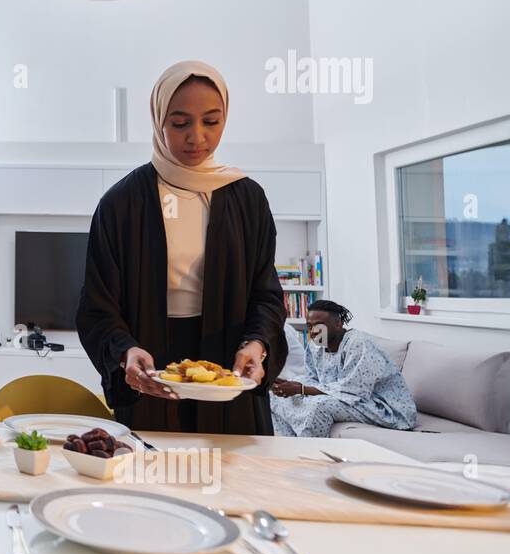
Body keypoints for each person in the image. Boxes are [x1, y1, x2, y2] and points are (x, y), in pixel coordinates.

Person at [77, 60, 287, 436]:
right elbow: (97, 307)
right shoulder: (122, 203)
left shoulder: (247, 199)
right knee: (154, 468)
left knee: (233, 470)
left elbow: (266, 295)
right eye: (180, 123)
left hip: (229, 368)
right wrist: (126, 352)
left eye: (211, 121)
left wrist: (257, 345)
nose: (197, 137)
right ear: (159, 119)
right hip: (152, 368)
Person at [270, 300, 416, 438]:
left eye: (319, 325)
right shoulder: (315, 345)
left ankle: (311, 451)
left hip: (382, 406)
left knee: (318, 406)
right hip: (346, 397)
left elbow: (353, 391)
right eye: (309, 326)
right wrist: (289, 384)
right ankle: (291, 444)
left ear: (338, 324)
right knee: (276, 397)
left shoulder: (358, 344)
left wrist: (302, 389)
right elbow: (313, 379)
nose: (313, 331)